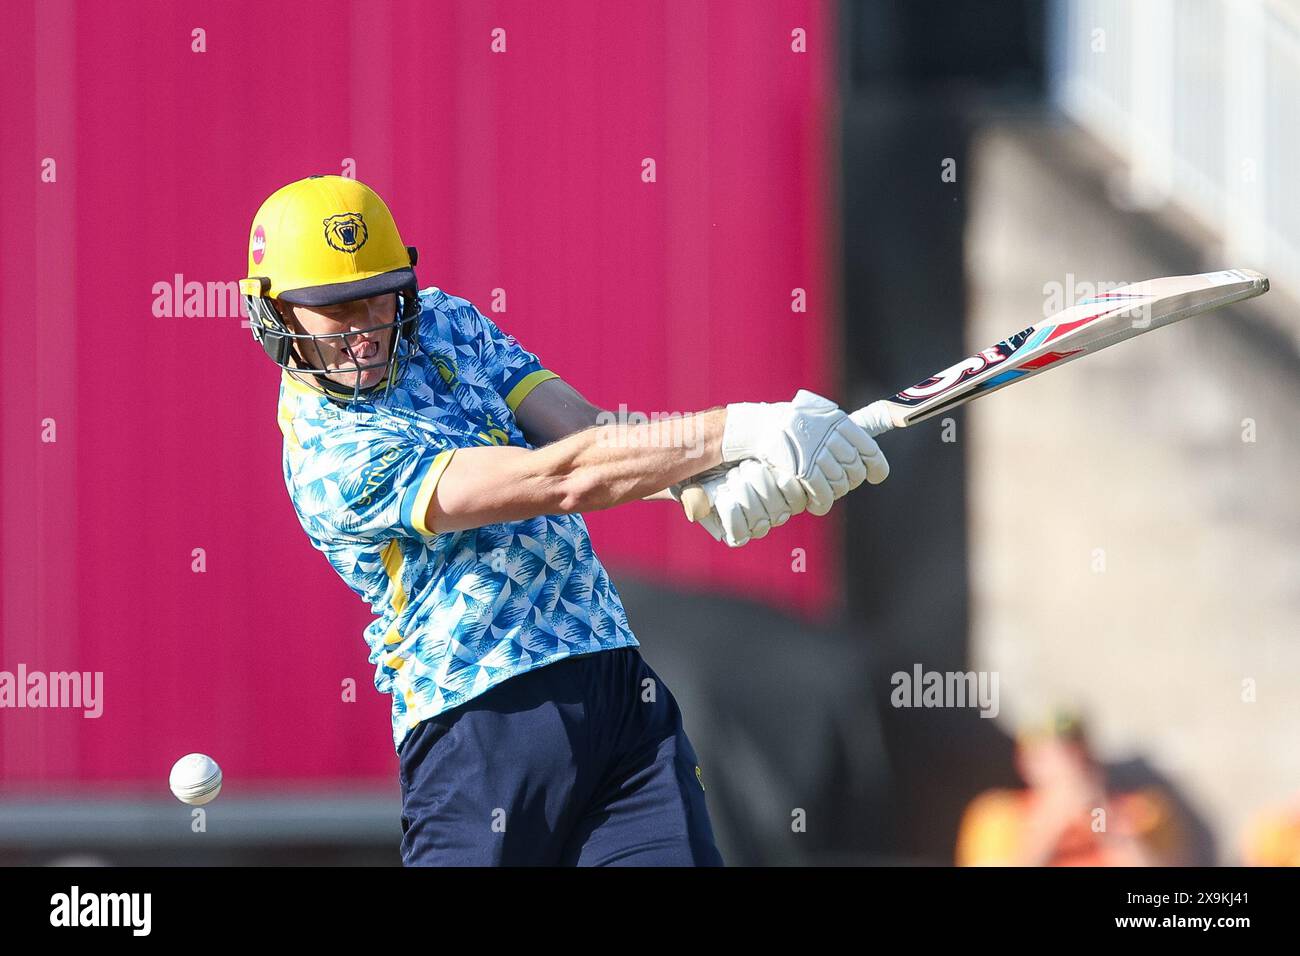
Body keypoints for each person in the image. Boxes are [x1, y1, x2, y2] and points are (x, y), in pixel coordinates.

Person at [239, 175, 890, 865]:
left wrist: (695, 483)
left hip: (613, 684)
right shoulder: (329, 459)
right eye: (336, 311)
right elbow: (559, 479)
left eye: (379, 295)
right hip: (482, 724)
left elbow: (581, 433)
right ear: (274, 315)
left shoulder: (443, 323)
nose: (367, 329)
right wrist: (742, 430)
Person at [956, 712, 1183, 866]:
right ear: (1025, 763)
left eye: (1076, 753)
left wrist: (1100, 814)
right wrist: (1056, 812)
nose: (1070, 765)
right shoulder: (999, 813)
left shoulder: (1142, 809)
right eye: (1051, 757)